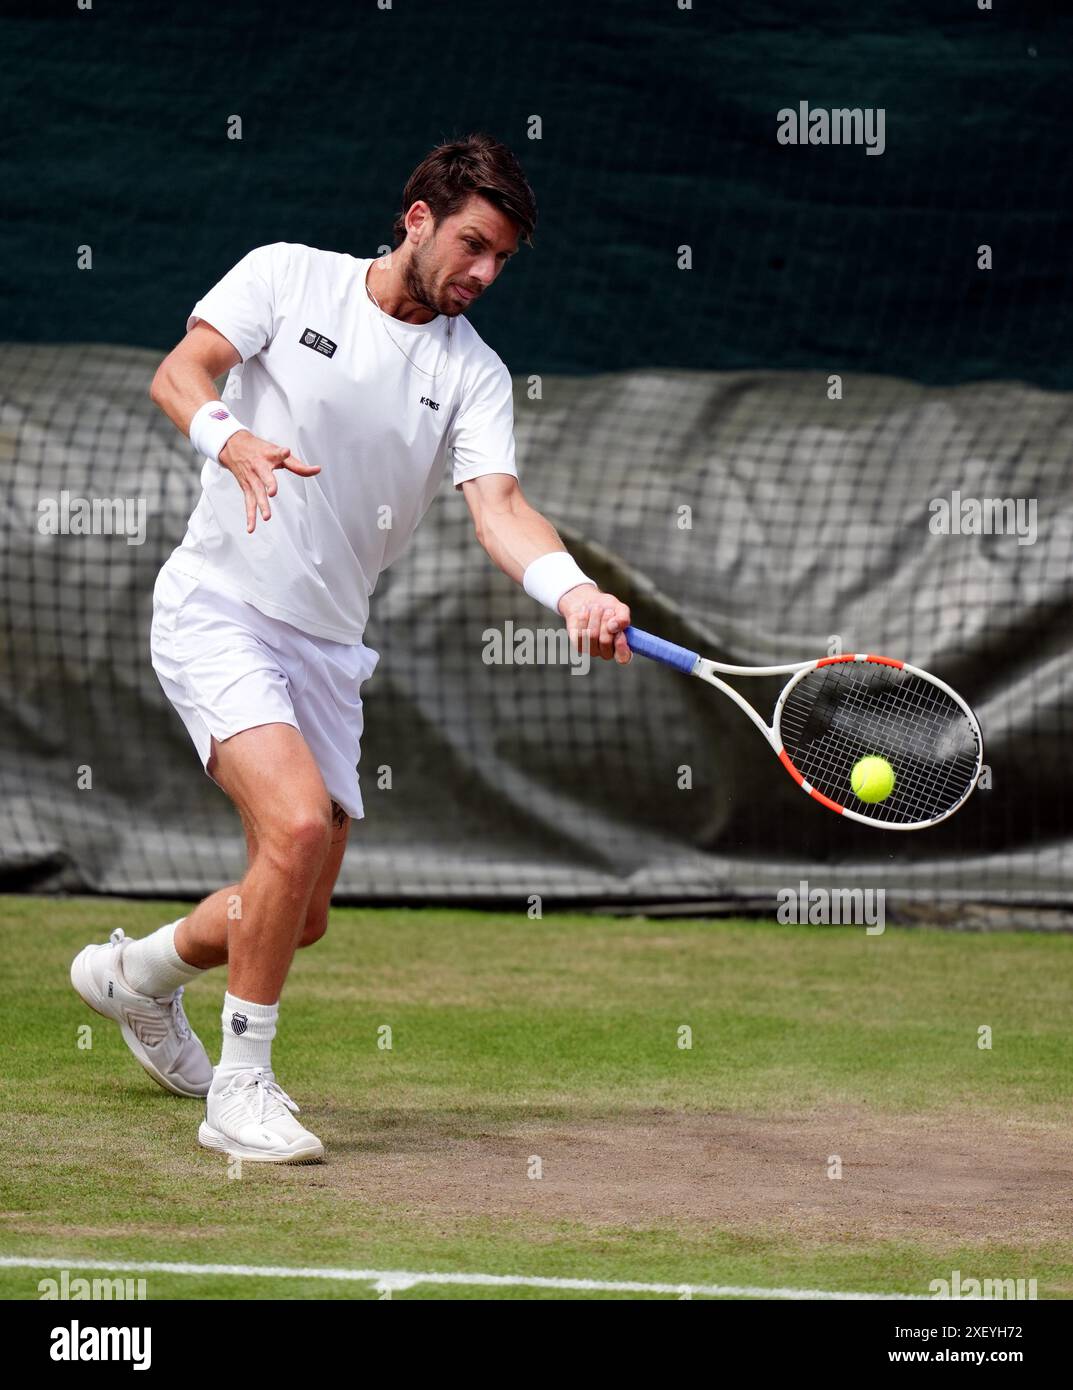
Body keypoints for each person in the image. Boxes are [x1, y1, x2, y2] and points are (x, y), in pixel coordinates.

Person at [71, 133, 631, 1164]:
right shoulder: (289, 276)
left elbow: (497, 506)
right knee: (289, 825)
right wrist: (226, 437)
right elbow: (181, 372)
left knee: (299, 911)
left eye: (501, 259)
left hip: (328, 649)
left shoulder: (476, 375)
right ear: (416, 218)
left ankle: (136, 978)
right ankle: (240, 1089)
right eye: (471, 245)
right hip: (218, 607)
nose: (482, 274)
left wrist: (573, 588)